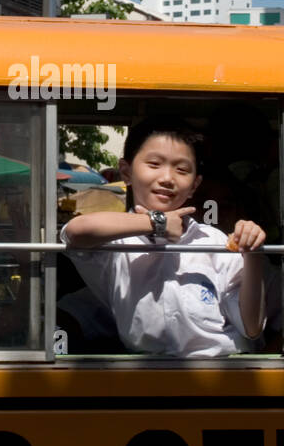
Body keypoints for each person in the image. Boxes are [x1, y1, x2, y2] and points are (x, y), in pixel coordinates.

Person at [59, 117, 267, 357]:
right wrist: (157, 223)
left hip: (223, 371)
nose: (168, 178)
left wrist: (253, 254)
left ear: (194, 185)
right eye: (154, 164)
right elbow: (75, 232)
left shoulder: (214, 240)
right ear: (126, 172)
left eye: (182, 169)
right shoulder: (116, 242)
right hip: (149, 375)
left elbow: (251, 328)